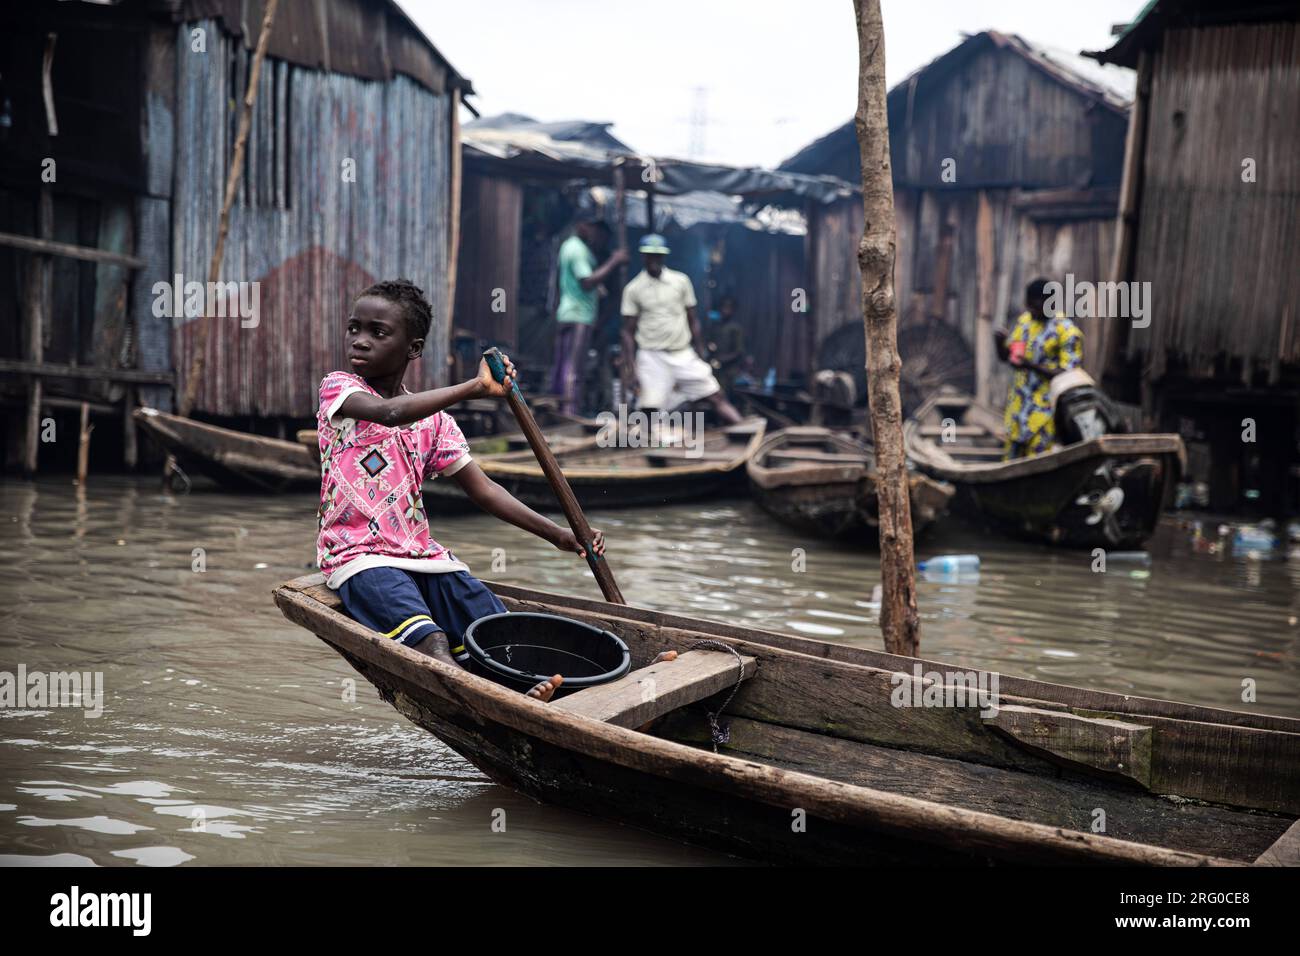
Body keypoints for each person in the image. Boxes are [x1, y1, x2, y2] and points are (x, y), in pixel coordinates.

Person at [317, 279, 606, 702]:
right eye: (353, 329)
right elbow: (389, 412)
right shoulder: (339, 390)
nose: (359, 342)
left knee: (490, 618)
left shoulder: (436, 424)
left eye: (377, 333)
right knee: (429, 639)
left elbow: (485, 489)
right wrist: (474, 387)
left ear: (412, 348)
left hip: (420, 555)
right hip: (357, 557)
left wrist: (559, 534)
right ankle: (473, 692)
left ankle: (517, 686)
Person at [620, 234, 742, 424]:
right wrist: (631, 367)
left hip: (682, 353)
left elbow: (693, 320)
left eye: (658, 255)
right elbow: (627, 332)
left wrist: (700, 351)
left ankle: (746, 433)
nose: (654, 259)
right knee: (648, 411)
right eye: (650, 255)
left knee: (716, 396)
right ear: (643, 257)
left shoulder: (681, 282)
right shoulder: (633, 289)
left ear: (664, 257)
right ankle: (647, 449)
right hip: (651, 356)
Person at [994, 276, 1084, 459]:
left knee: (1037, 465)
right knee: (1009, 467)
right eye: (1028, 305)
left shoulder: (1066, 332)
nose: (1029, 310)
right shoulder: (1026, 322)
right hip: (1017, 411)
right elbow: (1009, 359)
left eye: (1034, 306)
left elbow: (1069, 374)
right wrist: (999, 344)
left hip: (1044, 414)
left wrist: (1030, 365)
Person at [551, 218, 627, 414]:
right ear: (582, 226)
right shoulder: (577, 249)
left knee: (563, 366)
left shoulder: (569, 247)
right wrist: (614, 261)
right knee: (574, 369)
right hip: (579, 316)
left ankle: (561, 407)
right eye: (592, 229)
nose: (594, 235)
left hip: (567, 313)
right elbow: (587, 282)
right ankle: (569, 410)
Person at [705, 294, 747, 398]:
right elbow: (710, 343)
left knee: (726, 396)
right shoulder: (715, 327)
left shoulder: (735, 328)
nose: (725, 310)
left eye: (728, 308)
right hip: (715, 369)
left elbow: (739, 351)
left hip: (729, 371)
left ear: (733, 310)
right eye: (723, 307)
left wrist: (723, 359)